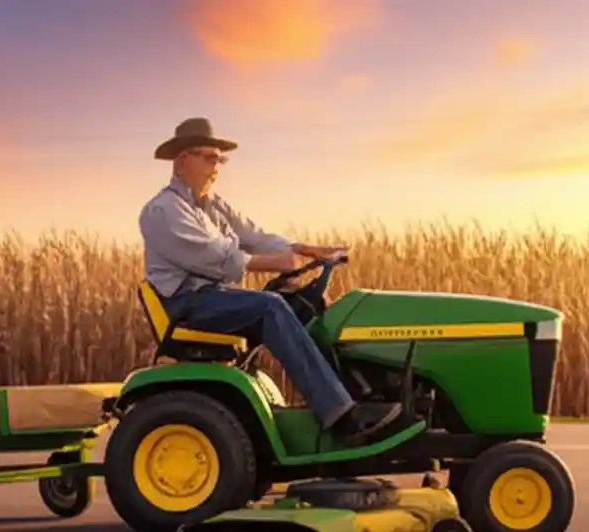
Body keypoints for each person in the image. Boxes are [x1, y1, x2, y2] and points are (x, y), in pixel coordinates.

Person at [138, 117, 405, 445]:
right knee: (270, 307)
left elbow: (253, 234)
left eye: (220, 159)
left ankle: (360, 395)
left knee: (304, 304)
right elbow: (212, 256)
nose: (217, 167)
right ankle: (339, 415)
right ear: (182, 161)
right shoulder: (163, 211)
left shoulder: (212, 205)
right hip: (188, 303)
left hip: (214, 297)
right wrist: (270, 264)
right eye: (209, 158)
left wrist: (303, 249)